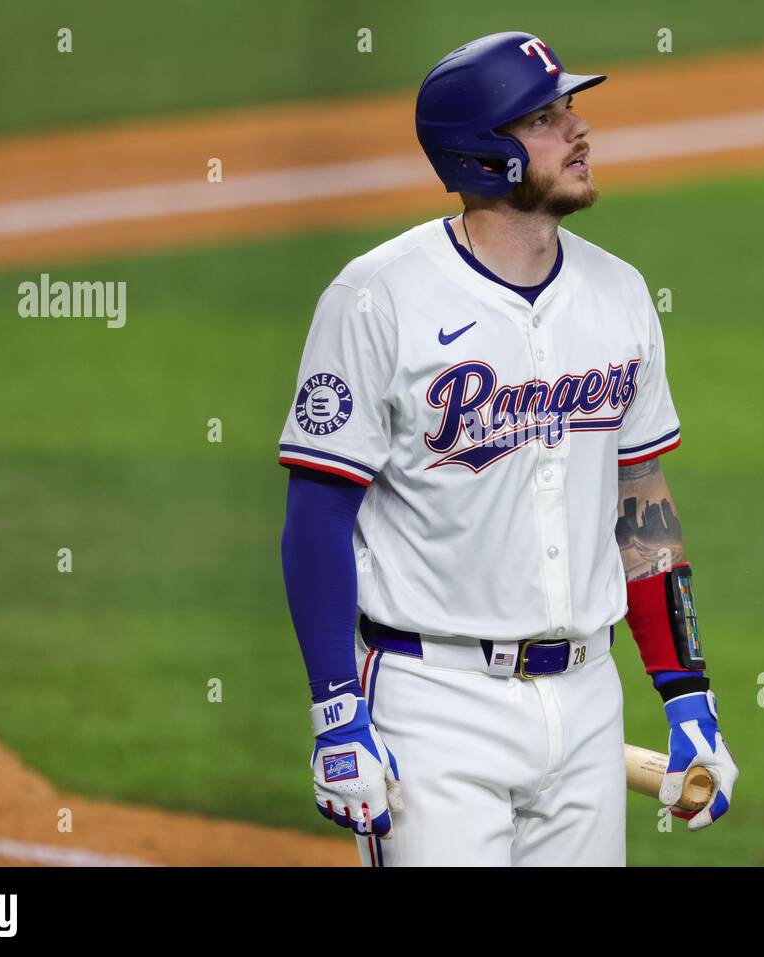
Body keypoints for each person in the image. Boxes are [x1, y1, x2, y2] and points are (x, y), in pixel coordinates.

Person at [279, 31, 737, 867]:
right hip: (433, 702)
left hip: (589, 700)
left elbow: (644, 503)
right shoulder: (377, 300)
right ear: (485, 155)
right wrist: (335, 708)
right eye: (547, 118)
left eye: (571, 109)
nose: (579, 130)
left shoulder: (620, 294)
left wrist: (686, 691)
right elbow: (316, 510)